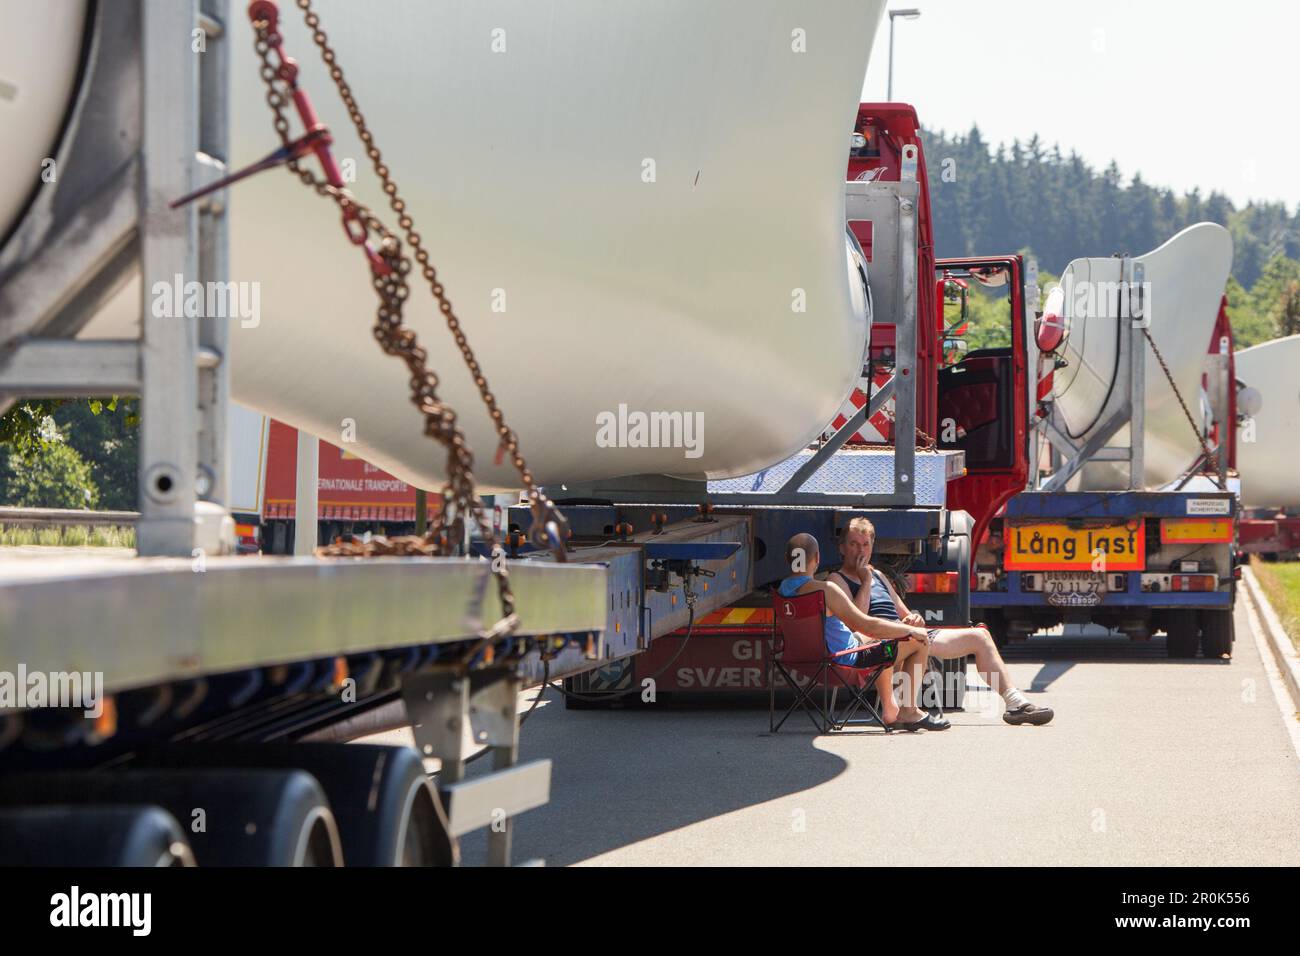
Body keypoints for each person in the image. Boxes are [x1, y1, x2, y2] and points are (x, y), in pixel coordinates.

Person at [827, 517, 1054, 726]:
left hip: (906, 633)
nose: (860, 551)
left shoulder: (879, 575)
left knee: (980, 636)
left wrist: (912, 618)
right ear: (841, 548)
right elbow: (857, 622)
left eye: (865, 545)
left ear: (872, 547)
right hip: (875, 640)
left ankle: (1015, 703)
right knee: (912, 638)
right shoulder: (837, 579)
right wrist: (865, 581)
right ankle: (905, 709)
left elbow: (904, 612)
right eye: (854, 544)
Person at [778, 532, 947, 731]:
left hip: (803, 660)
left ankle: (891, 706)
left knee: (883, 636)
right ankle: (909, 711)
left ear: (787, 559)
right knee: (919, 641)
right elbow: (865, 624)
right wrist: (909, 629)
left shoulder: (783, 590)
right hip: (845, 661)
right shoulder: (826, 590)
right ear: (817, 559)